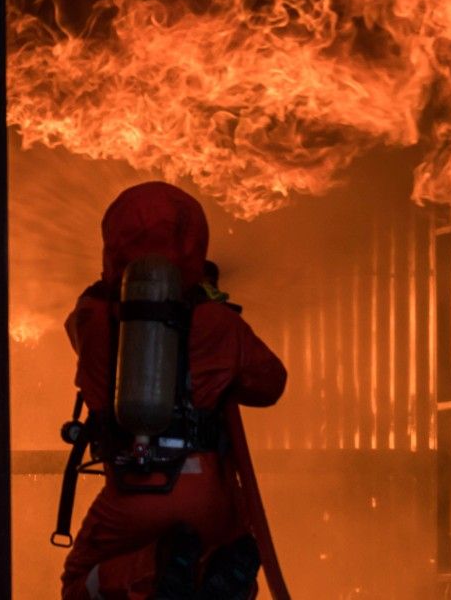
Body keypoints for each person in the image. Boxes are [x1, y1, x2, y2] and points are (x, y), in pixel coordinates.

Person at [58, 182, 287, 600]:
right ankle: (205, 577)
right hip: (207, 496)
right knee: (228, 552)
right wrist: (208, 306)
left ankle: (155, 570)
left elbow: (81, 314)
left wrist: (115, 290)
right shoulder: (219, 324)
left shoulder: (90, 321)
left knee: (79, 584)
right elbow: (271, 384)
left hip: (130, 495)